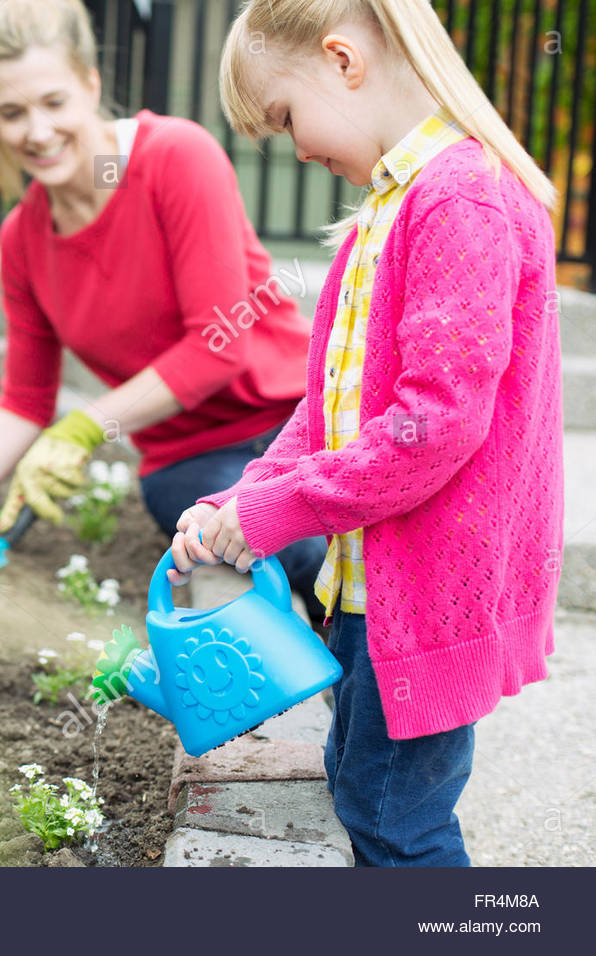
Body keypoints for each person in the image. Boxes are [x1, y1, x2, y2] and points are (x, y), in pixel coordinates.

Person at [169, 0, 563, 866]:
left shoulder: (460, 201)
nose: (297, 148)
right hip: (368, 590)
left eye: (285, 118)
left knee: (397, 825)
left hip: (420, 595)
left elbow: (431, 427)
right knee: (363, 794)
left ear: (342, 60)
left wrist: (275, 514)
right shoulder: (382, 213)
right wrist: (240, 497)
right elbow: (327, 409)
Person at [0, 0, 329, 628]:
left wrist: (83, 428)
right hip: (192, 460)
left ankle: (367, 693)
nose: (37, 132)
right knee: (295, 547)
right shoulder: (24, 240)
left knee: (329, 552)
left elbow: (216, 346)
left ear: (91, 85)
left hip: (296, 420)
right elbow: (24, 400)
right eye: (12, 113)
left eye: (54, 102)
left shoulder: (176, 158)